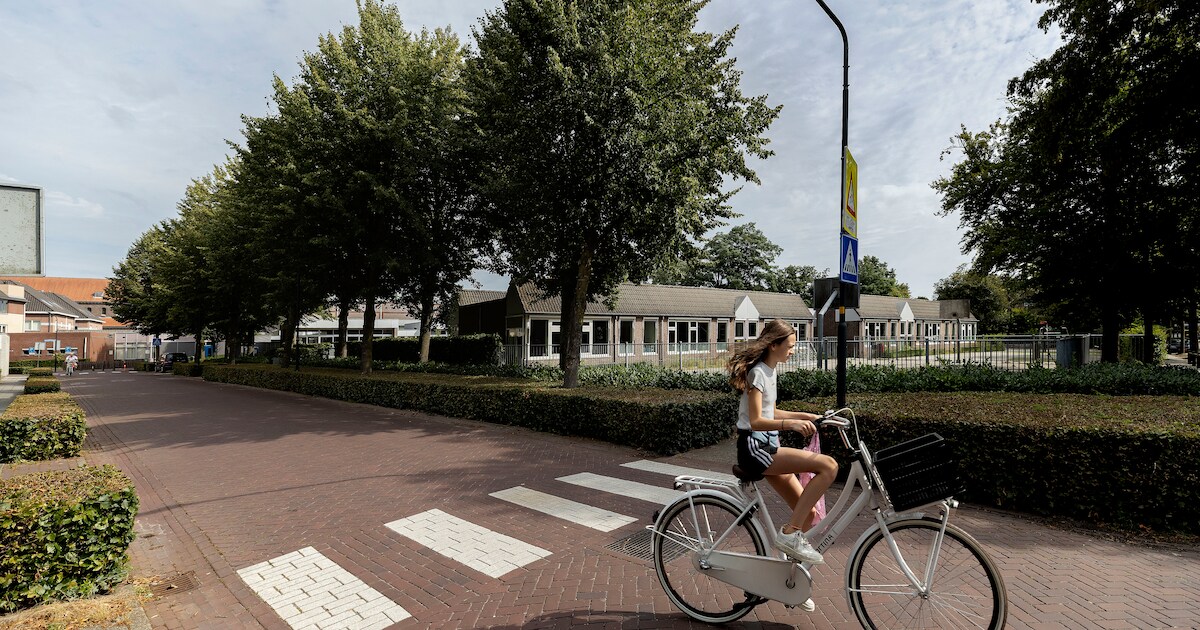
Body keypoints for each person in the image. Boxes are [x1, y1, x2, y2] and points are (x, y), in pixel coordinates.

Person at [728, 318, 838, 566]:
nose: (793, 350)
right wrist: (792, 425)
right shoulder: (757, 373)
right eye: (790, 346)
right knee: (829, 466)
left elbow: (772, 412)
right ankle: (788, 535)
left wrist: (807, 416)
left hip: (768, 447)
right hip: (755, 449)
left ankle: (788, 577)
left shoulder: (770, 370)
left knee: (808, 515)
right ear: (773, 345)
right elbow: (756, 421)